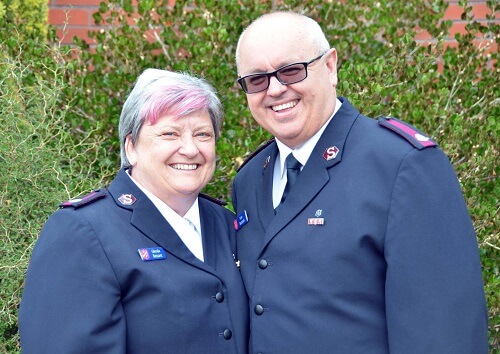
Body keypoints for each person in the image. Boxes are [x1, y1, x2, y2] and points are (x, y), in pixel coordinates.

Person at [232, 11, 488, 353]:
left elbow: (444, 331)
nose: (276, 89)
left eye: (291, 70)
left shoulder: (402, 165)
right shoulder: (249, 180)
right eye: (257, 80)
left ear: (331, 66)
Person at [19, 68, 248, 353]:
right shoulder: (84, 232)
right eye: (170, 133)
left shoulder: (227, 225)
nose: (190, 149)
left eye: (202, 134)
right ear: (131, 147)